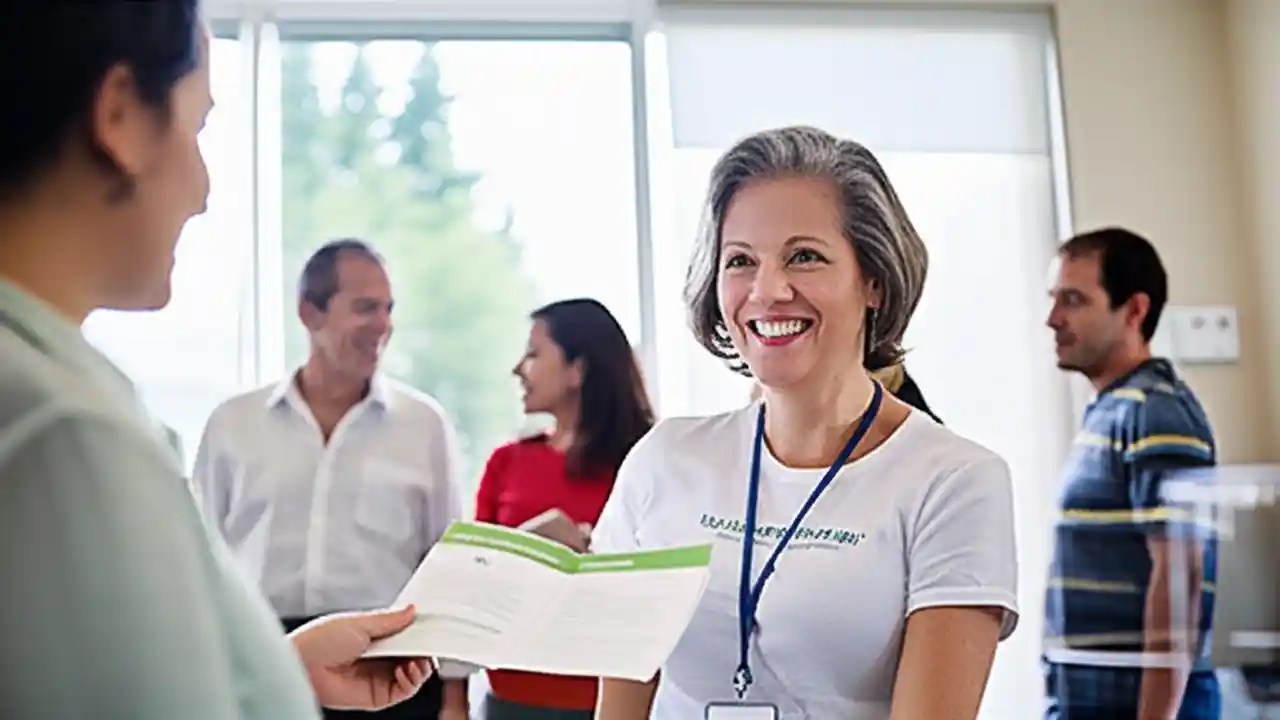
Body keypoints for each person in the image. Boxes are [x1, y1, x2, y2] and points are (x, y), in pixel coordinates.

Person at [0, 3, 429, 718]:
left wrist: (282, 671)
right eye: (196, 129)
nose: (201, 194)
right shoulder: (67, 436)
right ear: (120, 118)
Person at [591, 126, 1019, 719]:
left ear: (874, 280)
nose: (767, 290)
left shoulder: (953, 480)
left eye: (804, 257)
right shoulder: (664, 458)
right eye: (740, 261)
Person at [192, 238, 468, 720]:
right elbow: (200, 557)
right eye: (365, 308)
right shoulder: (232, 424)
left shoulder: (424, 425)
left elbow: (447, 564)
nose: (383, 325)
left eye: (388, 309)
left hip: (392, 673)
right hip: (267, 663)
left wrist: (456, 699)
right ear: (309, 313)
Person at [1043, 227, 1220, 719]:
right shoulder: (1112, 410)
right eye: (1054, 298)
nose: (1053, 318)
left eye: (1074, 300)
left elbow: (1181, 577)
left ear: (1135, 310)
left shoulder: (1156, 412)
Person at [474, 298, 655, 719]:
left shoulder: (650, 462)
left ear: (578, 369)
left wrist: (599, 555)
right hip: (510, 700)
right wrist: (529, 542)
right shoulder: (506, 462)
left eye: (534, 354)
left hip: (616, 702)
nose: (518, 369)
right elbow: (472, 577)